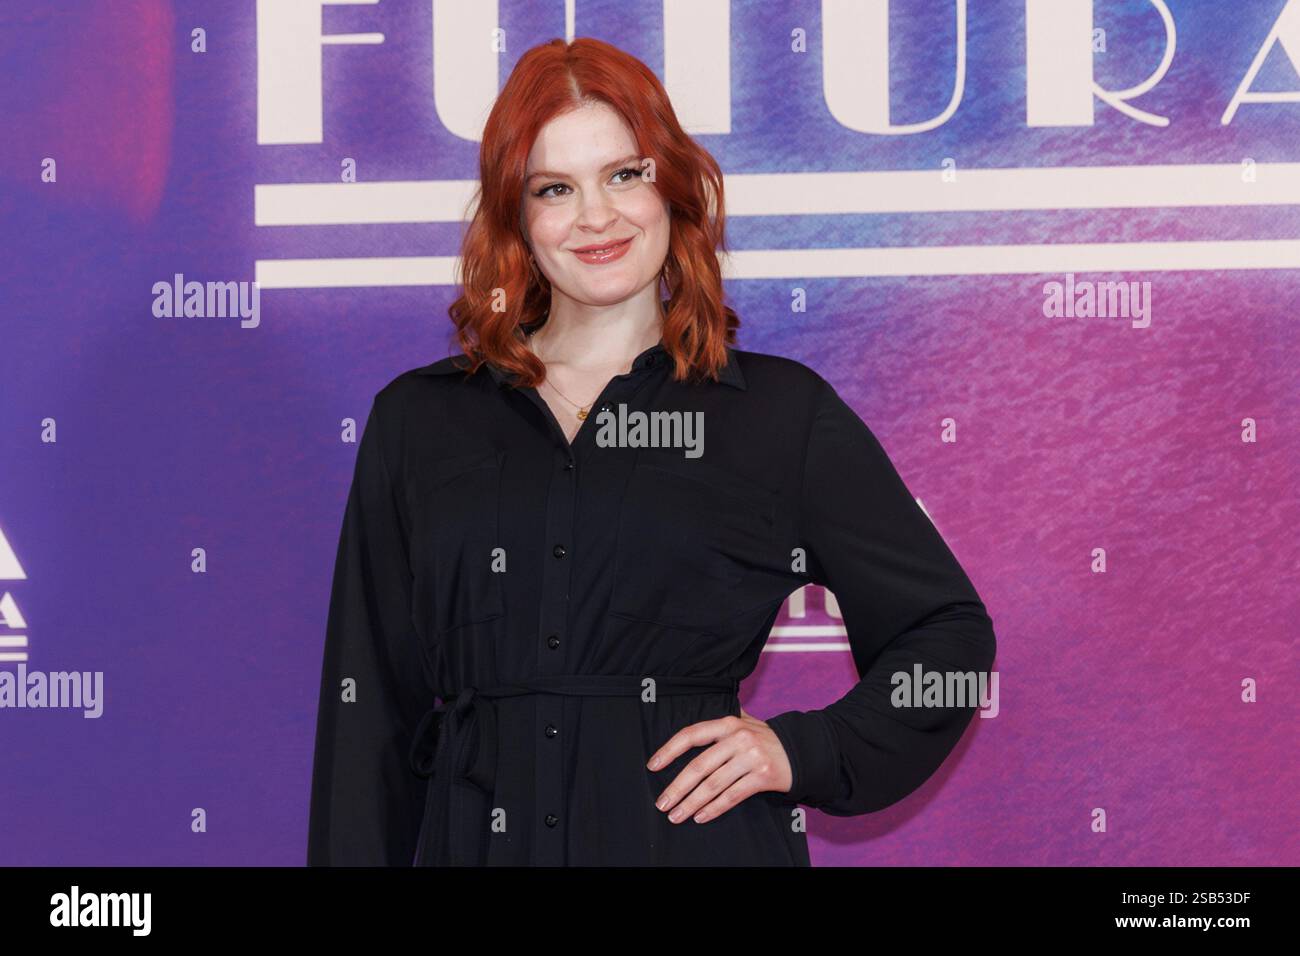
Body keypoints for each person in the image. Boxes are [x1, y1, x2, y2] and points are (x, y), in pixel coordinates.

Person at [307, 37, 996, 867]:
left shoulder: (776, 415)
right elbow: (370, 721)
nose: (596, 216)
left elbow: (948, 638)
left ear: (670, 186)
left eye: (624, 175)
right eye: (555, 189)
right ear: (516, 217)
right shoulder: (419, 423)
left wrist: (801, 751)